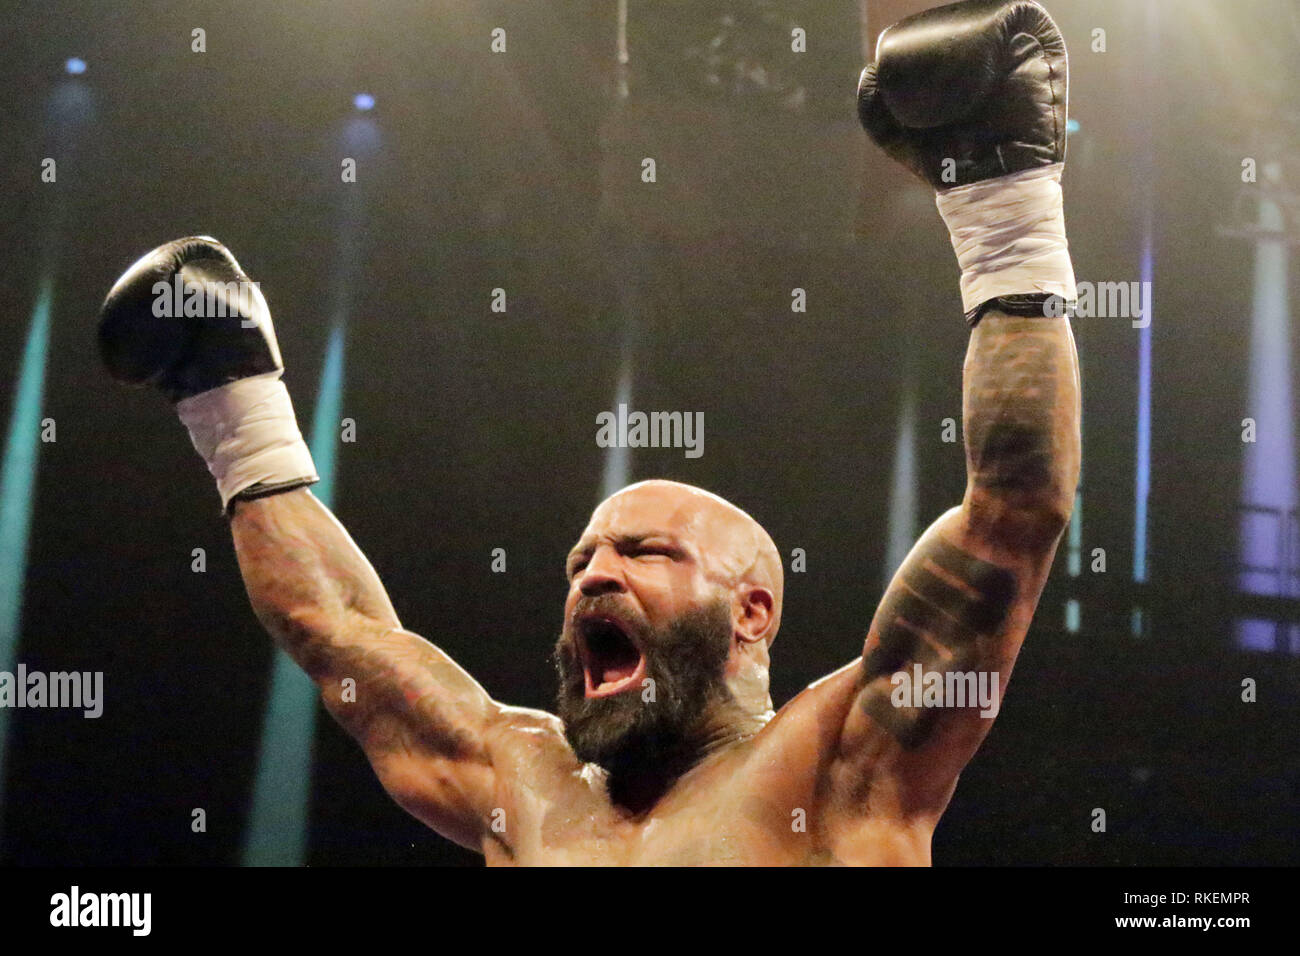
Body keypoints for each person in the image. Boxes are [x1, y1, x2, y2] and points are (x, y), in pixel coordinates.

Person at [99, 0, 1081, 865]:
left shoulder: (837, 763)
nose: (592, 574)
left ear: (750, 612)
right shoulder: (521, 783)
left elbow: (1012, 513)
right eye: (581, 558)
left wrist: (1004, 205)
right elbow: (335, 631)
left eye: (643, 550)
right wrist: (232, 405)